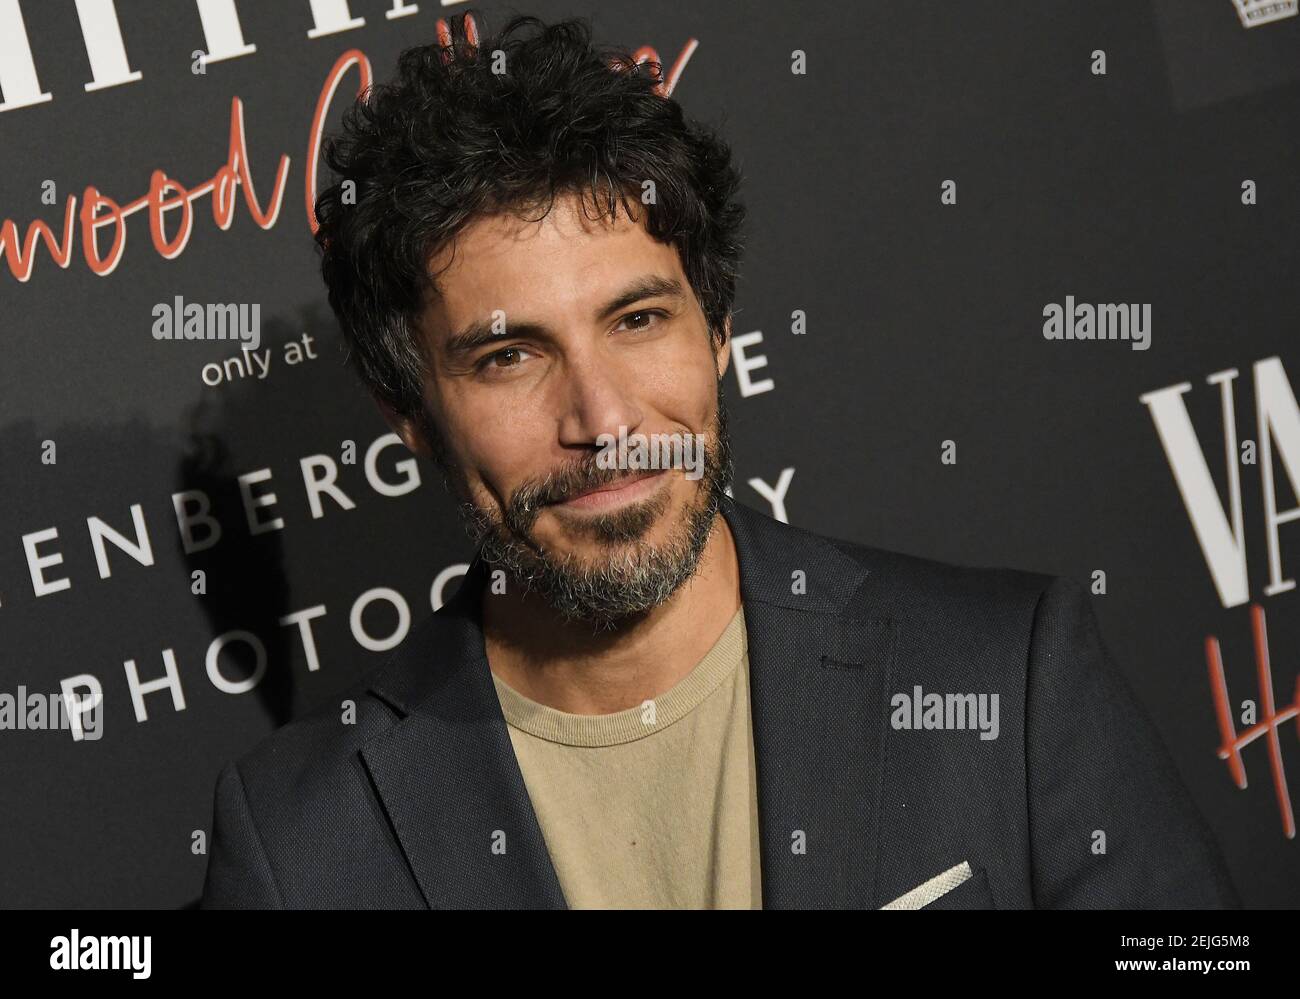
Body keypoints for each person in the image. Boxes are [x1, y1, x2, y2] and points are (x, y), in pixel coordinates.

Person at [201, 11, 1238, 909]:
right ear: (409, 412)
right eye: (511, 356)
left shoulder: (1005, 678)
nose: (604, 419)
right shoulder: (300, 841)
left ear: (719, 335)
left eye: (639, 318)